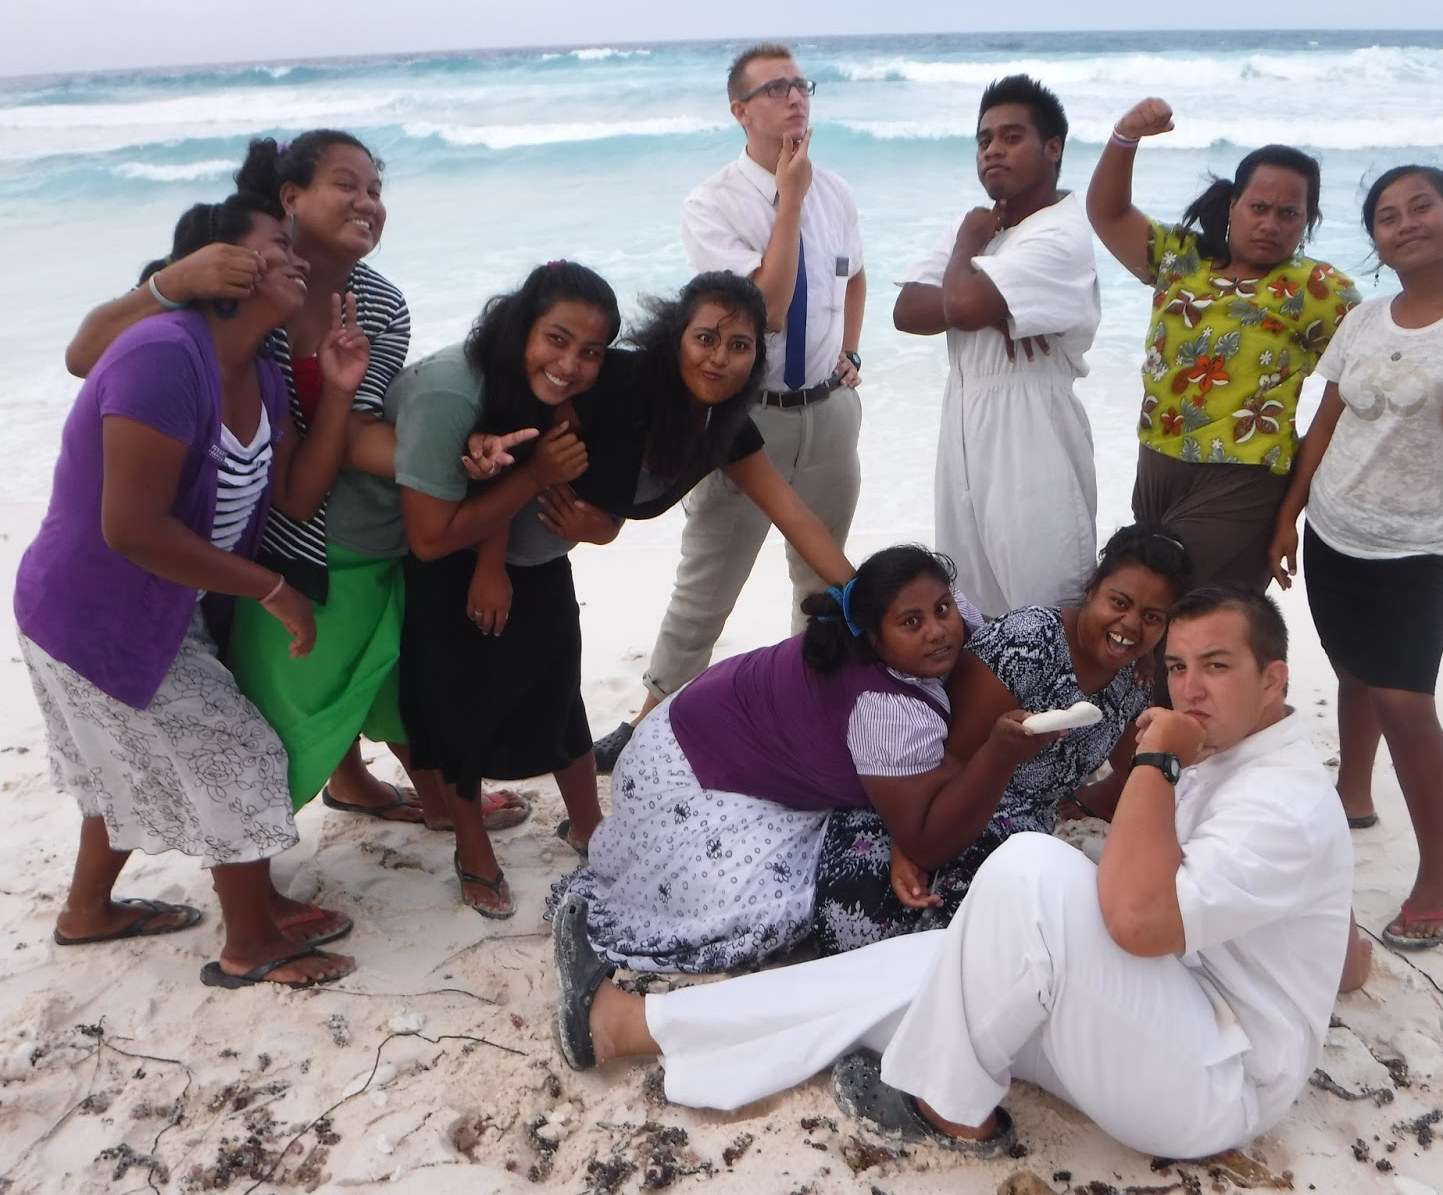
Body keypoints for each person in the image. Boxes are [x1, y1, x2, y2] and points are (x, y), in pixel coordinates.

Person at [555, 588, 1371, 1161]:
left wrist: (1155, 757)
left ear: (1274, 680)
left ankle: (949, 1106)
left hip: (1212, 1083)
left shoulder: (1280, 799)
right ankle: (633, 1028)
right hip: (1162, 1017)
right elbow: (1323, 941)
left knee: (1026, 867)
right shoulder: (1242, 760)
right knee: (938, 958)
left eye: (1218, 668)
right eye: (1180, 667)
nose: (1189, 690)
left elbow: (1134, 921)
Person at [398, 266, 856, 917]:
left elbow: (795, 515)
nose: (719, 359)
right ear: (676, 336)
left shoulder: (722, 427)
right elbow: (516, 422)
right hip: (477, 549)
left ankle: (587, 826)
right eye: (705, 338)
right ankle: (472, 849)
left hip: (546, 559)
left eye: (739, 346)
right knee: (464, 700)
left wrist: (866, 594)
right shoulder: (620, 383)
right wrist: (490, 563)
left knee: (559, 693)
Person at [59, 131, 478, 831]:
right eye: (348, 184)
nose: (368, 203)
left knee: (366, 674)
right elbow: (88, 357)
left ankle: (375, 785)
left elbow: (344, 435)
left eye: (377, 191)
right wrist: (174, 281)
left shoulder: (380, 305)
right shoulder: (234, 275)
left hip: (321, 519)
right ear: (291, 198)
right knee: (258, 707)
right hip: (225, 536)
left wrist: (451, 456)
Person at [17, 193, 367, 988]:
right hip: (92, 613)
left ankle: (89, 912)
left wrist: (340, 390)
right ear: (222, 269)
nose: (298, 258)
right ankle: (251, 941)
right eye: (278, 244)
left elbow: (297, 500)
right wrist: (273, 586)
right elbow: (131, 529)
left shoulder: (262, 377)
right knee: (235, 752)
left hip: (160, 610)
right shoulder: (163, 353)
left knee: (120, 766)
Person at [548, 544, 1069, 974]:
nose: (938, 629)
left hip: (702, 730)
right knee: (778, 905)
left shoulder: (944, 628)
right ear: (871, 635)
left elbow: (992, 638)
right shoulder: (886, 709)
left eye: (942, 609)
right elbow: (926, 838)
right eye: (911, 622)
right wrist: (989, 763)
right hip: (682, 771)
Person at [1269, 165, 1443, 949]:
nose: (1406, 222)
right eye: (1387, 215)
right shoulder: (1365, 319)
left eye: (1422, 207)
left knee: (1407, 707)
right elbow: (1325, 422)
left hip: (1413, 546)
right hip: (1333, 532)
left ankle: (1433, 877)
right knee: (1351, 668)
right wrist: (1290, 514)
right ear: (1376, 237)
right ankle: (1352, 792)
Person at [591, 42, 866, 771]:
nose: (795, 98)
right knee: (709, 580)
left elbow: (855, 279)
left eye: (801, 84)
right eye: (775, 89)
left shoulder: (836, 191)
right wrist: (791, 196)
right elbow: (767, 309)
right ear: (740, 111)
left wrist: (853, 353)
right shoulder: (712, 203)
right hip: (749, 419)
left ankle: (818, 710)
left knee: (820, 575)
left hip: (831, 410)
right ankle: (650, 721)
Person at [814, 523, 1191, 954]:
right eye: (1119, 603)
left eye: (1152, 617)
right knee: (864, 930)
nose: (1129, 625)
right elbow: (943, 756)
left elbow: (1134, 772)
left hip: (1017, 834)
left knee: (1001, 943)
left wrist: (1086, 802)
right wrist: (910, 844)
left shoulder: (1135, 681)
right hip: (935, 808)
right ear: (1093, 588)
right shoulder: (1029, 643)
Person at [1086, 98, 1360, 591]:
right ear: (1233, 205)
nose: (1270, 224)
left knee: (1177, 606)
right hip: (1156, 465)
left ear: (1307, 222)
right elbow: (1106, 213)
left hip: (1243, 480)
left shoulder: (1319, 289)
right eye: (1258, 207)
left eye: (1289, 214)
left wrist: (1290, 510)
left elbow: (1361, 384)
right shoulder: (1180, 258)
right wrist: (1125, 137)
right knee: (1169, 625)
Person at [893, 74, 1101, 616]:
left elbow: (956, 306)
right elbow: (907, 311)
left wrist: (966, 263)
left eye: (1011, 137)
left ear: (1052, 148)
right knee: (970, 606)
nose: (992, 151)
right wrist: (988, 304)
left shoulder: (1062, 231)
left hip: (1030, 428)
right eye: (984, 140)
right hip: (962, 415)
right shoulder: (980, 225)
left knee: (1047, 605)